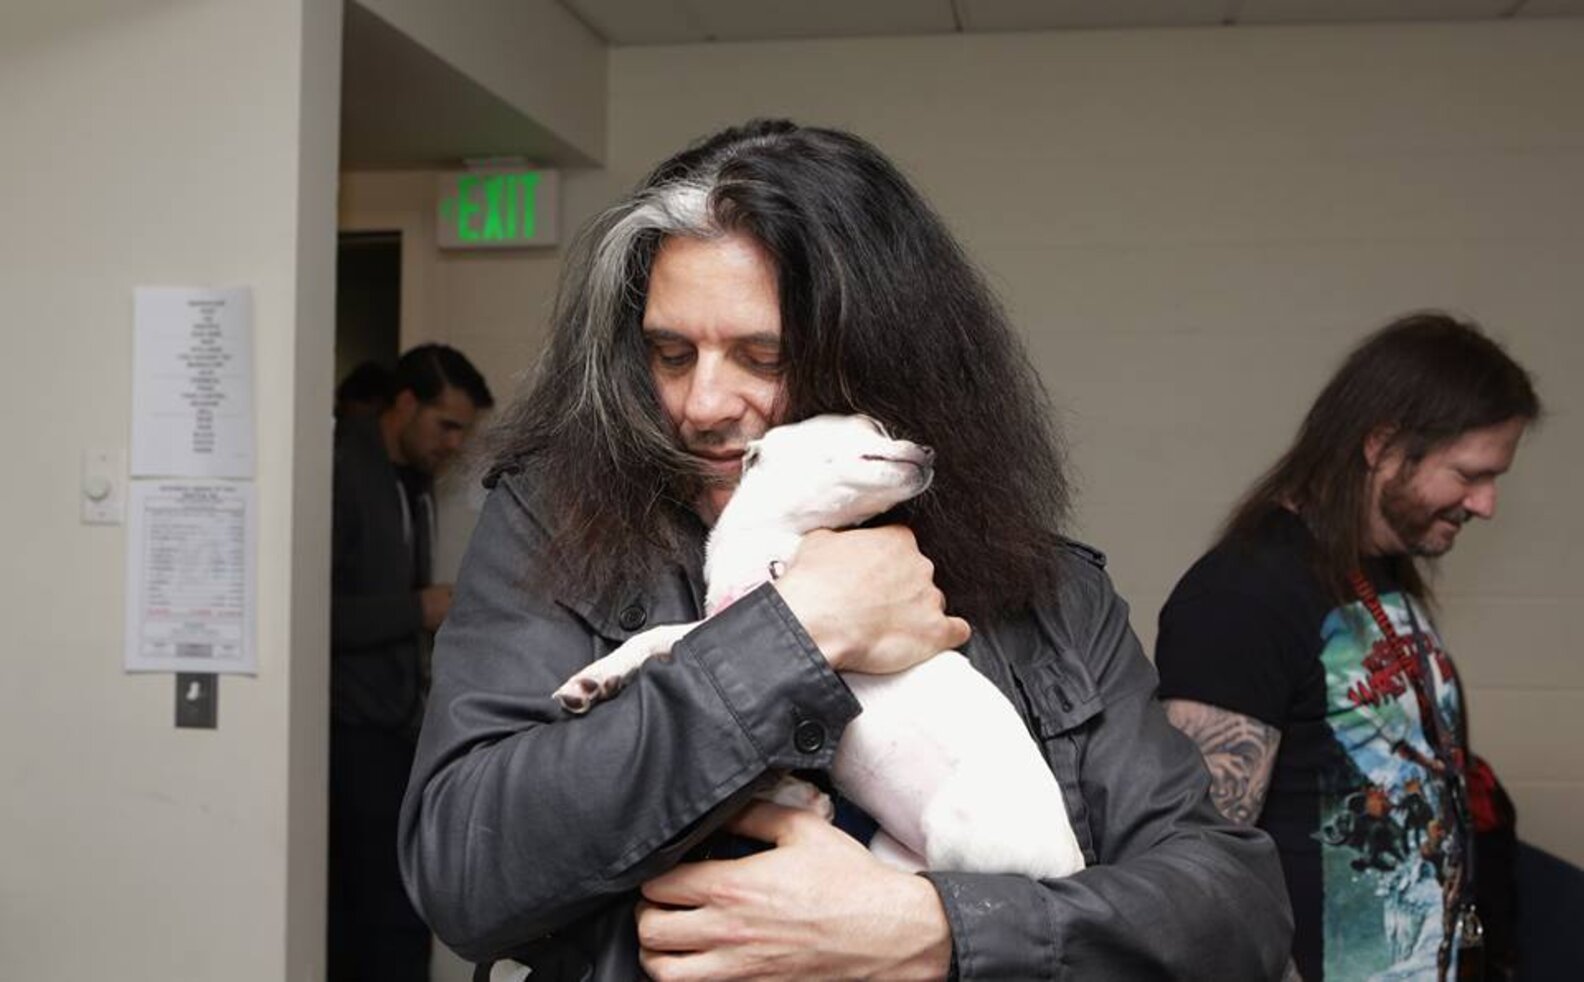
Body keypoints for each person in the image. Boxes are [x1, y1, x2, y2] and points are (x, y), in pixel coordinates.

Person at [398, 119, 1292, 981]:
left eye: (763, 357)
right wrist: (791, 635)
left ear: (886, 364)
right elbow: (462, 872)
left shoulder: (1049, 590)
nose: (702, 405)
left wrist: (934, 931)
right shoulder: (562, 528)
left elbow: (1234, 915)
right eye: (671, 353)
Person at [1154, 313, 1540, 981]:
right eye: (1468, 474)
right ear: (1382, 446)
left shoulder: (1380, 568)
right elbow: (1198, 869)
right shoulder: (1243, 593)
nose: (1486, 504)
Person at [329, 342, 494, 981]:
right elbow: (310, 617)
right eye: (445, 425)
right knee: (376, 914)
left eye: (462, 430)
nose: (454, 444)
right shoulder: (341, 470)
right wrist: (416, 609)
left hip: (401, 725)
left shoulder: (416, 482)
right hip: (350, 731)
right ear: (404, 404)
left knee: (401, 905)